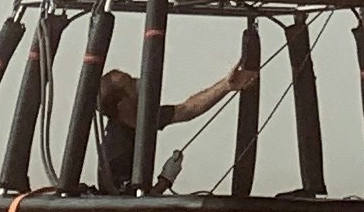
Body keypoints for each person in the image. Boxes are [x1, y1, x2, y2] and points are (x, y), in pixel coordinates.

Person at [93, 56, 254, 195]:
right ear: (123, 105)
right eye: (132, 84)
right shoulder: (115, 149)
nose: (139, 83)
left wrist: (226, 85)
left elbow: (187, 109)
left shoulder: (142, 119)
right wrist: (166, 180)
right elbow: (130, 206)